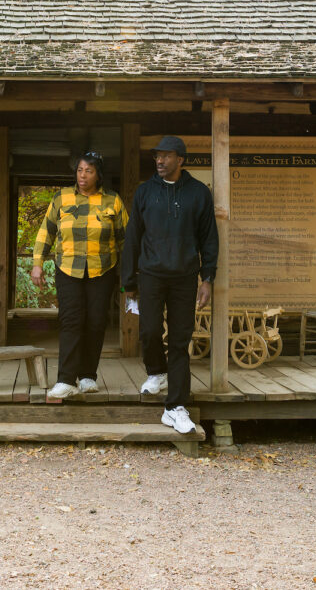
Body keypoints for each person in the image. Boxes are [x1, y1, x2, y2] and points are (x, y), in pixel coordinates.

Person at [121, 135, 217, 435]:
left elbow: (209, 238)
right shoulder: (145, 192)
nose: (160, 161)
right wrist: (129, 281)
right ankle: (156, 371)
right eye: (157, 156)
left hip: (184, 277)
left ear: (181, 159)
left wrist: (208, 278)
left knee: (179, 340)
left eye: (166, 156)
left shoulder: (199, 193)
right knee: (149, 331)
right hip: (150, 274)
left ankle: (175, 407)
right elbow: (133, 236)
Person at [30, 152, 129, 401]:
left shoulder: (112, 201)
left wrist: (130, 273)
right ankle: (65, 379)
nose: (83, 175)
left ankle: (87, 376)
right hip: (68, 269)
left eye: (89, 171)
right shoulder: (61, 198)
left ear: (99, 175)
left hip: (102, 270)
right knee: (71, 321)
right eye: (80, 170)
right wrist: (37, 264)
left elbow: (125, 239)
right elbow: (46, 232)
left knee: (96, 322)